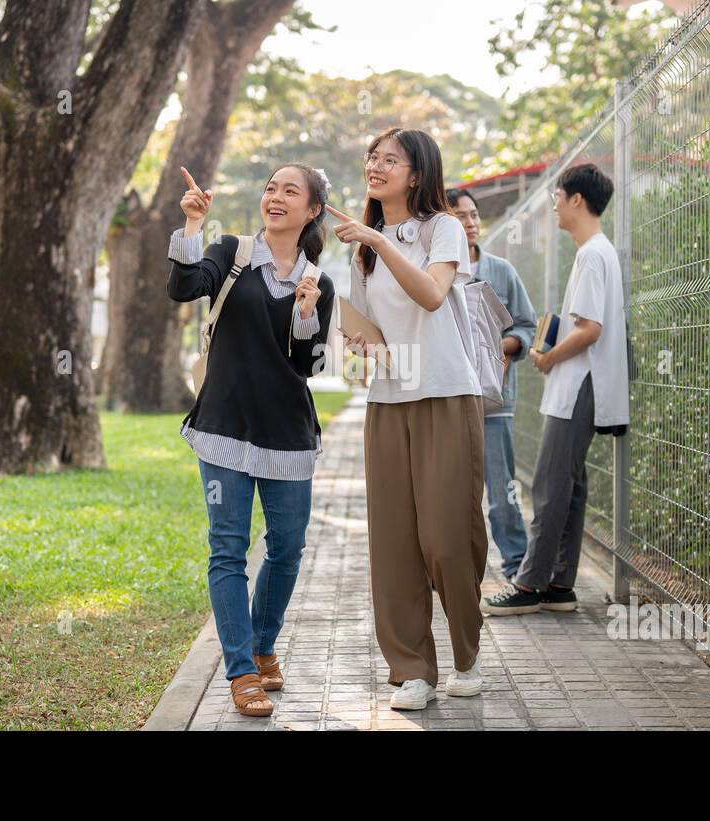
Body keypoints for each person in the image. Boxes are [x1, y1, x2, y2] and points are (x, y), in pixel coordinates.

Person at [166, 163, 336, 716]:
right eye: (270, 187)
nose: (276, 197)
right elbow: (184, 287)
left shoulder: (319, 281)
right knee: (228, 548)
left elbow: (308, 365)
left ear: (312, 210)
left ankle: (264, 647)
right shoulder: (230, 251)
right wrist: (192, 226)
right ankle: (241, 671)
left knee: (288, 548)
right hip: (224, 428)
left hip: (287, 432)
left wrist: (306, 315)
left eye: (291, 190)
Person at [330, 127, 487, 711]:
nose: (375, 165)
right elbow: (363, 331)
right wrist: (356, 343)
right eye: (372, 156)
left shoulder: (442, 227)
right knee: (394, 542)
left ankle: (467, 654)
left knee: (447, 536)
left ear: (416, 174)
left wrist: (379, 237)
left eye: (389, 159)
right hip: (388, 403)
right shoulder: (361, 249)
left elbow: (431, 295)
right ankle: (412, 669)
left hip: (446, 393)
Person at [481, 163, 630, 616]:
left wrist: (545, 357)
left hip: (580, 385)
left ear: (576, 200)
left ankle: (529, 586)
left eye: (558, 196)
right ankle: (560, 584)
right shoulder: (598, 251)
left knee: (549, 485)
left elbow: (589, 330)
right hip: (586, 385)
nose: (553, 205)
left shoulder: (591, 254)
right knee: (569, 484)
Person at [446, 187, 536, 581]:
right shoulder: (439, 273)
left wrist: (504, 344)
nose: (469, 223)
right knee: (450, 491)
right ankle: (453, 569)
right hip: (447, 401)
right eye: (459, 216)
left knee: (502, 492)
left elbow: (526, 324)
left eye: (473, 215)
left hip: (494, 403)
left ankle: (517, 565)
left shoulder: (502, 272)